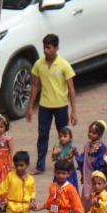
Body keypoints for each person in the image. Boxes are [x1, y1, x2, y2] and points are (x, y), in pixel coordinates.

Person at [26, 35, 76, 173]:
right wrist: (30, 108)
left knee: (65, 135)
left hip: (61, 105)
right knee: (42, 135)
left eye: (49, 48)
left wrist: (73, 111)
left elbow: (71, 88)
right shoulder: (39, 64)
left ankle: (66, 163)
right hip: (45, 105)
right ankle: (40, 166)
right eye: (45, 47)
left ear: (56, 48)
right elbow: (35, 86)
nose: (46, 51)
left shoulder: (64, 65)